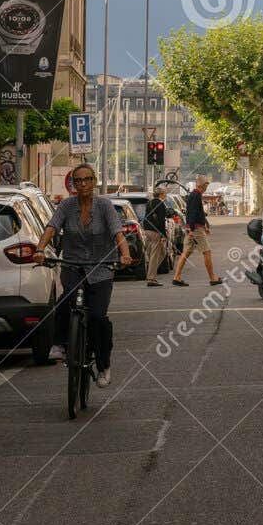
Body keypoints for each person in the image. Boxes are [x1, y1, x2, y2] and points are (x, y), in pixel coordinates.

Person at [32, 163, 130, 387]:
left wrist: (125, 254)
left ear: (94, 181)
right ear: (73, 184)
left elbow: (117, 232)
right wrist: (39, 249)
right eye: (78, 180)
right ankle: (60, 343)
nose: (83, 184)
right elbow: (52, 227)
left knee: (98, 317)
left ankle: (104, 364)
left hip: (101, 268)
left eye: (87, 179)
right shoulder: (66, 206)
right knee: (67, 298)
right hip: (73, 265)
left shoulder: (105, 206)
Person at [172, 175, 222, 287]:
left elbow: (194, 213)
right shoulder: (196, 195)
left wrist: (203, 226)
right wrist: (191, 229)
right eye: (206, 185)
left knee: (186, 252)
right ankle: (212, 277)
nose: (206, 187)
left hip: (194, 228)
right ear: (202, 185)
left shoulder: (194, 195)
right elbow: (192, 213)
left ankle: (177, 277)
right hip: (195, 229)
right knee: (207, 252)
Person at [142, 184, 170, 287]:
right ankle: (151, 278)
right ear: (161, 194)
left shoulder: (149, 203)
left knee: (161, 253)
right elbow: (161, 221)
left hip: (147, 230)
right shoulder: (160, 204)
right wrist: (163, 235)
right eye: (165, 193)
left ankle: (151, 272)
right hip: (155, 232)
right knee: (155, 255)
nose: (166, 195)